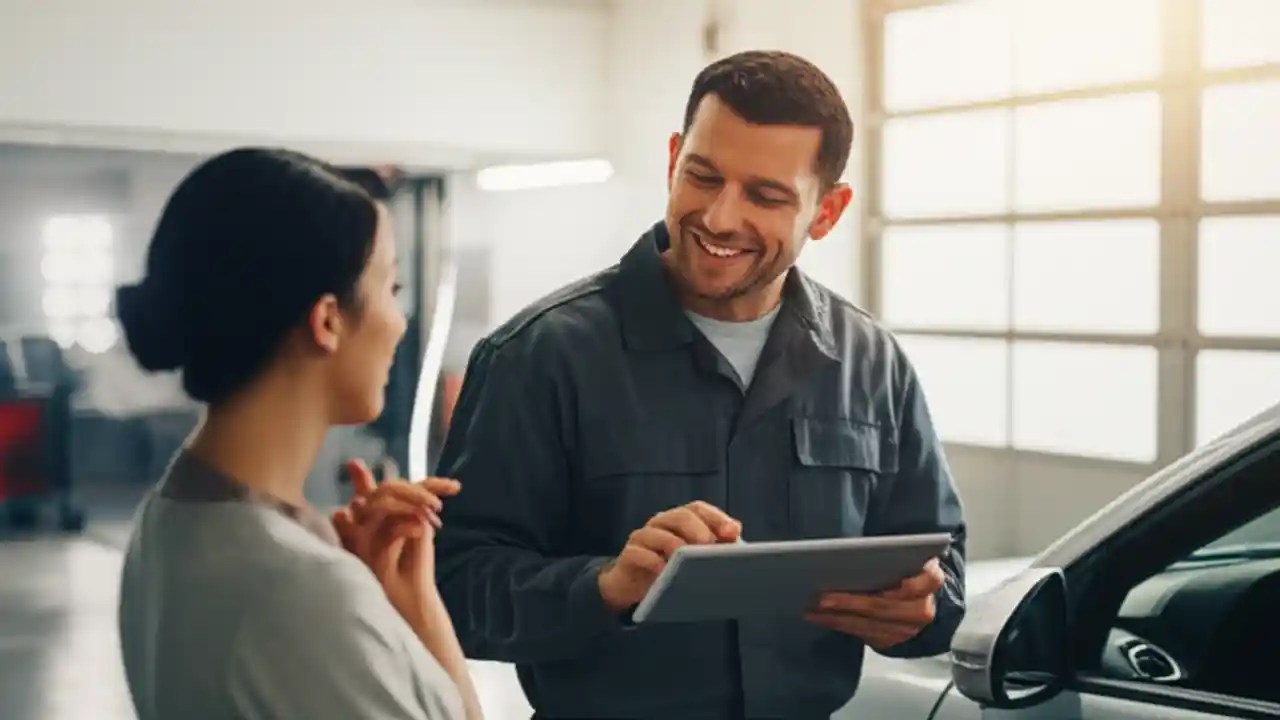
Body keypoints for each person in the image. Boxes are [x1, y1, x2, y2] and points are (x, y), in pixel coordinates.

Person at [435, 50, 967, 718]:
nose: (718, 218)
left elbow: (945, 576)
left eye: (765, 196)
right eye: (702, 176)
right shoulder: (539, 356)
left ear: (827, 212)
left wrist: (922, 609)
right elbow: (453, 587)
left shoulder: (872, 364)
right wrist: (604, 585)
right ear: (671, 160)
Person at [114, 148, 482, 720]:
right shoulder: (302, 590)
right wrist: (401, 613)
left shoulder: (166, 521)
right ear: (328, 320)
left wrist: (404, 601)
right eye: (393, 289)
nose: (399, 321)